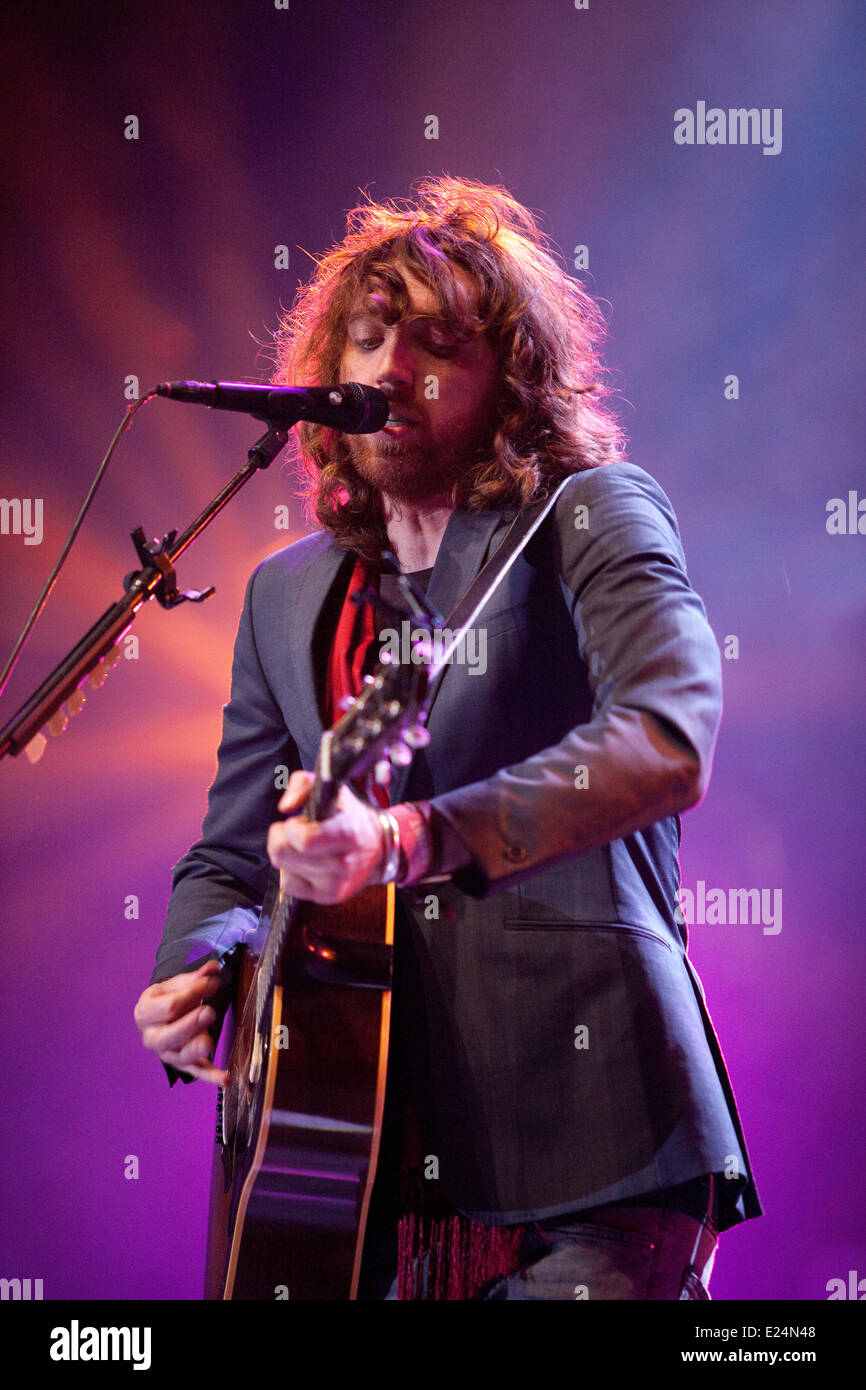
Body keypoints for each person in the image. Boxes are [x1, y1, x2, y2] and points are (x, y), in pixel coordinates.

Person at [134, 175, 762, 1300]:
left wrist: (413, 836)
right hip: (349, 1166)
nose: (383, 372)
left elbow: (668, 736)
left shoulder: (586, 512)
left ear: (511, 380)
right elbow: (228, 854)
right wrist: (200, 967)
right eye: (364, 340)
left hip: (591, 1143)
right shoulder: (287, 596)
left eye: (429, 345)